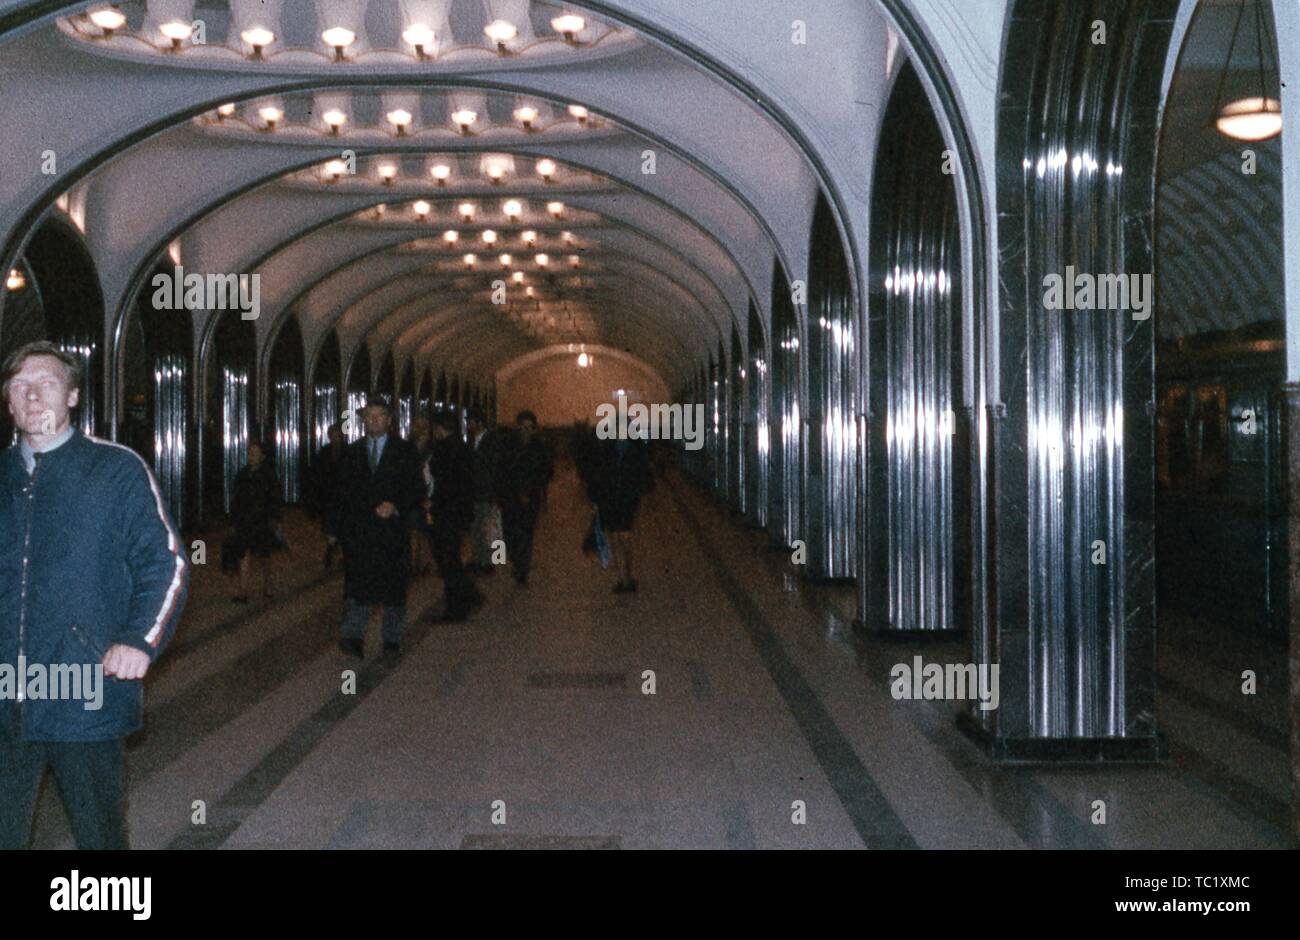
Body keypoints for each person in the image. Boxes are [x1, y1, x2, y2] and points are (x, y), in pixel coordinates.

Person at [0, 341, 188, 849]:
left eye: (48, 383)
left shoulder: (116, 470)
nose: (33, 395)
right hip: (4, 695)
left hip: (82, 690)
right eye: (20, 386)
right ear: (8, 401)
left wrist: (138, 639)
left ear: (74, 396)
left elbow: (165, 562)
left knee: (99, 836)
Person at [326, 400, 424, 664]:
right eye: (370, 416)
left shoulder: (404, 451)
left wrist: (396, 505)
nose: (375, 420)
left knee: (393, 588)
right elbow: (339, 493)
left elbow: (416, 488)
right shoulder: (352, 453)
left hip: (391, 532)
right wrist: (333, 529)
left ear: (390, 420)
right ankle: (352, 637)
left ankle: (391, 640)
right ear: (364, 420)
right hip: (360, 533)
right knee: (359, 585)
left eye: (380, 416)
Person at [423, 409, 483, 621]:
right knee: (451, 558)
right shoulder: (462, 448)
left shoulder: (445, 450)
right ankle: (470, 594)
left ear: (439, 428)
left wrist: (433, 501)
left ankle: (456, 608)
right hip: (457, 511)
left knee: (448, 561)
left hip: (447, 512)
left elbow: (445, 483)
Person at [588, 432, 653, 593]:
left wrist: (641, 495)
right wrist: (595, 500)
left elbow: (644, 476)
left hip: (627, 502)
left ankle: (627, 576)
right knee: (615, 539)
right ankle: (621, 579)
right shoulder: (606, 449)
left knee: (624, 538)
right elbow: (598, 476)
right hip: (609, 501)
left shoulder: (636, 449)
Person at [500, 410, 553, 586]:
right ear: (518, 427)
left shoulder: (539, 448)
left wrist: (532, 488)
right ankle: (516, 559)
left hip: (530, 498)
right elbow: (501, 471)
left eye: (530, 427)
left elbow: (547, 472)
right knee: (509, 532)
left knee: (526, 533)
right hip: (510, 497)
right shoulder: (508, 446)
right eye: (523, 427)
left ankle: (522, 570)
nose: (526, 431)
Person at [229, 439, 280, 603]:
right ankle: (243, 592)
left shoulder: (269, 476)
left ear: (262, 456)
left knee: (264, 556)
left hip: (262, 521)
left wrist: (275, 520)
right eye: (250, 453)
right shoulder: (242, 474)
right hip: (244, 520)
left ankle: (268, 584)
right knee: (243, 554)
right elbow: (235, 499)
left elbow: (274, 499)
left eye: (255, 453)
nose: (251, 456)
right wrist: (233, 520)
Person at [465, 407, 505, 573]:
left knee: (486, 527)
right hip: (475, 491)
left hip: (486, 491)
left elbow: (494, 468)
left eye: (470, 420)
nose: (468, 424)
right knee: (476, 527)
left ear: (479, 422)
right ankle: (477, 559)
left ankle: (487, 562)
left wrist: (494, 492)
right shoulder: (472, 440)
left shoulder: (491, 441)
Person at [312, 422, 348, 572]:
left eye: (338, 435)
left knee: (344, 526)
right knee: (330, 527)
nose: (336, 438)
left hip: (344, 496)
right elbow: (318, 473)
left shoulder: (348, 452)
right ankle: (331, 549)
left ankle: (339, 553)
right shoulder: (324, 452)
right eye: (333, 435)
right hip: (330, 496)